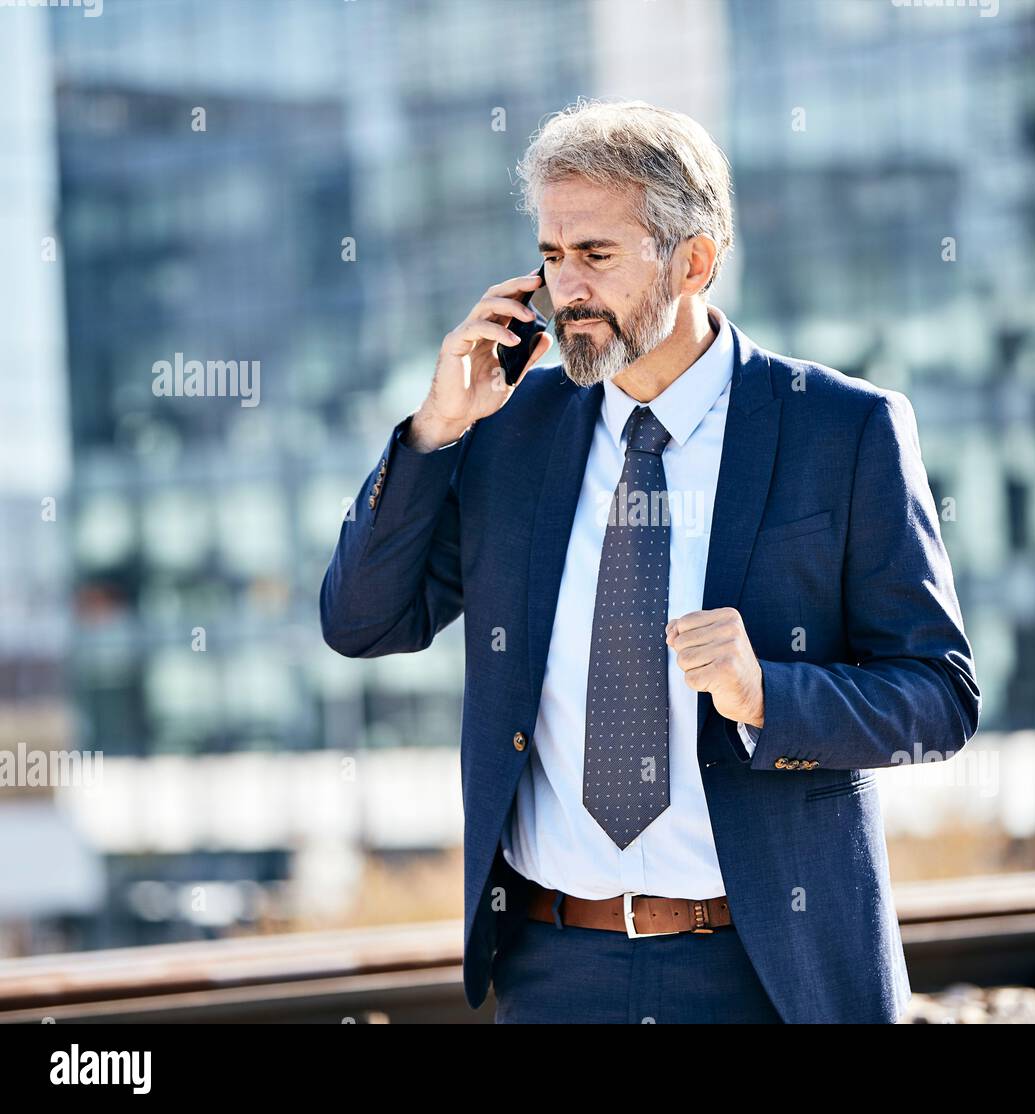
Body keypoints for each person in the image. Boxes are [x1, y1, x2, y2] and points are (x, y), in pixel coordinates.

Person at [320, 98, 979, 1023]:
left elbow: (939, 698)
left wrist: (766, 696)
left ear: (695, 258)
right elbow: (361, 622)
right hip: (554, 970)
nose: (566, 288)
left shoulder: (844, 430)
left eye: (597, 255)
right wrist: (433, 432)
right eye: (551, 256)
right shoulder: (510, 437)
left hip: (768, 973)